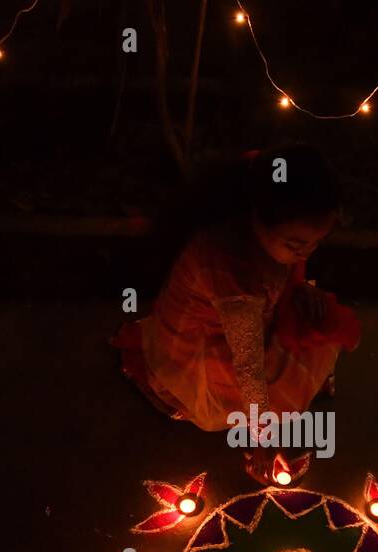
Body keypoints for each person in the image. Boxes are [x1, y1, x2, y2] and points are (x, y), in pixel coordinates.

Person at [113, 144, 359, 484]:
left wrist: (302, 289)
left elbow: (287, 277)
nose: (306, 252)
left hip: (251, 322)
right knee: (273, 392)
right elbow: (248, 367)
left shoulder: (272, 237)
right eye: (295, 245)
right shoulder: (232, 268)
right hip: (206, 345)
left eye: (315, 243)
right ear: (259, 217)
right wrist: (263, 440)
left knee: (321, 322)